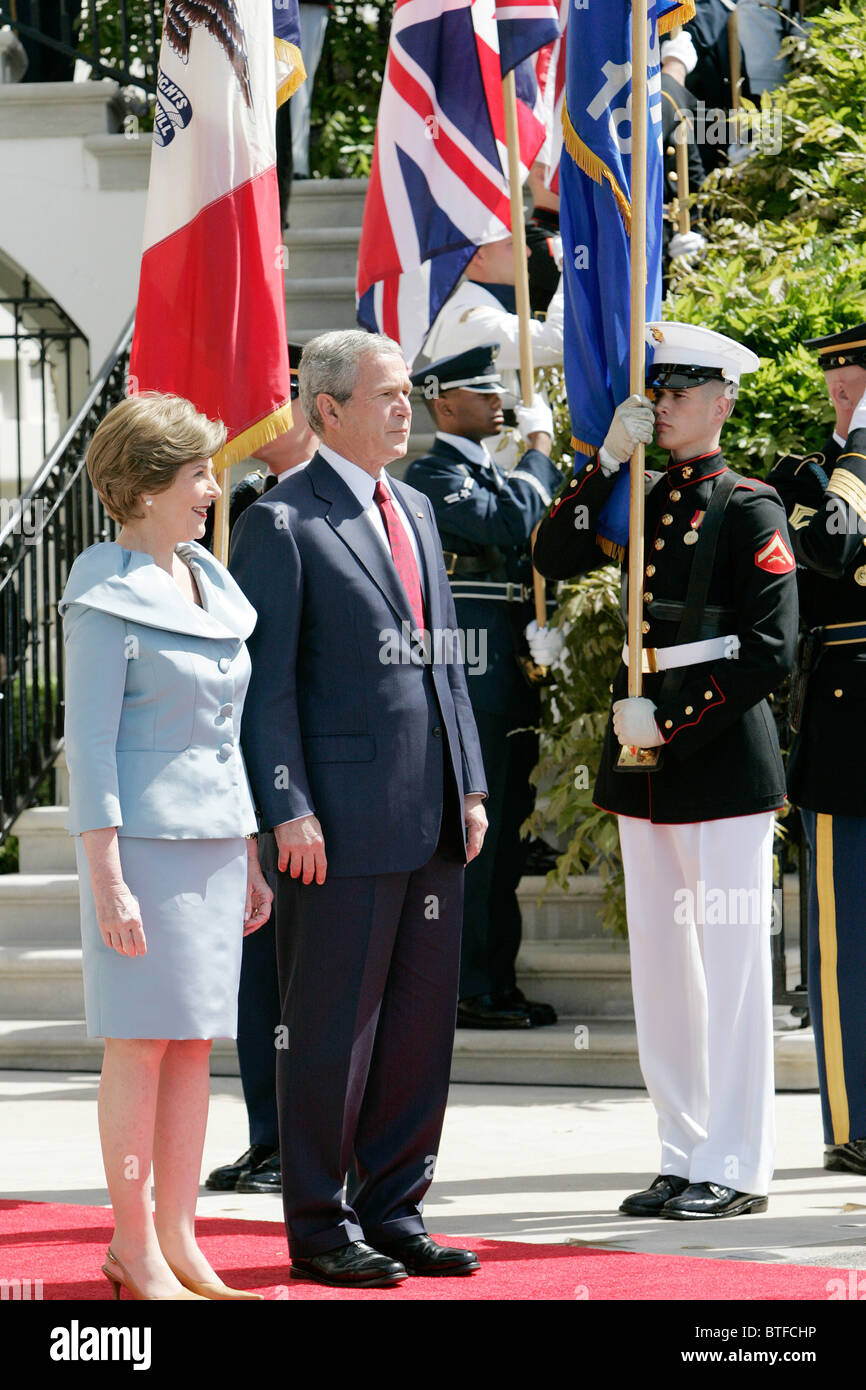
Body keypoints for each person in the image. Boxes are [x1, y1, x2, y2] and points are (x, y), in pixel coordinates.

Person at [229, 329, 488, 1288]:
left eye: (407, 392)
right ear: (325, 408)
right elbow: (268, 690)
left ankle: (398, 1209)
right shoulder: (283, 522)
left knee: (420, 1027)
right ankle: (322, 1228)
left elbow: (442, 654)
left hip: (431, 815)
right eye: (384, 394)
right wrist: (286, 807)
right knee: (332, 1030)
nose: (404, 407)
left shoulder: (414, 506)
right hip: (333, 824)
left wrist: (470, 779)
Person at [534, 323, 799, 1219]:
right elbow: (553, 554)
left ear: (722, 401)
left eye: (683, 392)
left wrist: (674, 722)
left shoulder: (750, 505)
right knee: (662, 968)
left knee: (728, 968)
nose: (666, 405)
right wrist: (606, 461)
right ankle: (684, 1149)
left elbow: (771, 650)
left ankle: (737, 1162)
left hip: (717, 759)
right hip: (642, 766)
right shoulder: (640, 495)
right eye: (659, 392)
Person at [60, 392, 273, 1301]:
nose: (212, 490)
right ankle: (131, 1244)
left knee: (194, 1045)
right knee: (140, 1045)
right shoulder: (102, 596)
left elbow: (227, 737)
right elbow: (94, 745)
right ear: (145, 487)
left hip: (219, 844)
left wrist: (254, 850)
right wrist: (106, 876)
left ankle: (181, 1241)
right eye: (197, 475)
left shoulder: (211, 581)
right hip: (139, 849)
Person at [405, 344, 561, 1028]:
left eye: (498, 391)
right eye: (481, 392)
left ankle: (495, 977)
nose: (497, 400)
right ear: (443, 404)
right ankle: (468, 985)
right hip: (473, 678)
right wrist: (540, 448)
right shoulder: (432, 475)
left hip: (508, 674)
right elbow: (516, 524)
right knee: (480, 842)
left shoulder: (484, 472)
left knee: (504, 845)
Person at [205, 343, 318, 1196]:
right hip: (250, 765)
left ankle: (310, 1138)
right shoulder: (240, 505)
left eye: (268, 396)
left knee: (310, 972)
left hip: (318, 775)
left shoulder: (333, 504)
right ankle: (270, 1130)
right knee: (259, 971)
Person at [768, 324, 866, 1178]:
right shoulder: (813, 478)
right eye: (838, 382)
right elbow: (832, 549)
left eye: (857, 381)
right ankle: (856, 1119)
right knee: (847, 941)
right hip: (847, 729)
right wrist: (856, 451)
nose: (845, 392)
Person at [421, 233, 564, 470]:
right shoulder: (470, 319)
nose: (527, 252)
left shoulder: (487, 307)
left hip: (515, 458)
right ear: (479, 255)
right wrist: (572, 269)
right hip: (500, 465)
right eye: (511, 245)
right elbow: (557, 341)